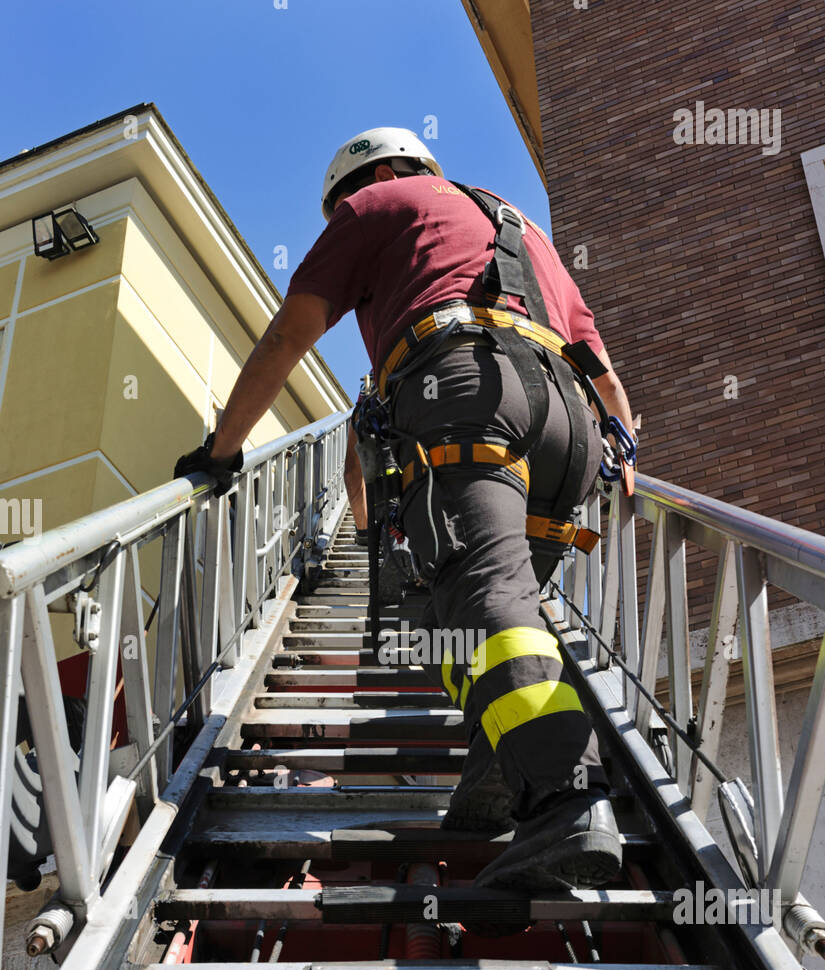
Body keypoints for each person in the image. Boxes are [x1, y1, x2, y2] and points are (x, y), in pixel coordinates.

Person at [175, 127, 636, 892]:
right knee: (483, 609)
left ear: (373, 176)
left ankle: (565, 798)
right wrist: (624, 462)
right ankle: (498, 771)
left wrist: (222, 451)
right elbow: (609, 381)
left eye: (338, 208)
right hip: (570, 430)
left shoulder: (378, 204)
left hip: (465, 394)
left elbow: (291, 332)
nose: (341, 220)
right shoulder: (520, 230)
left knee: (481, 593)